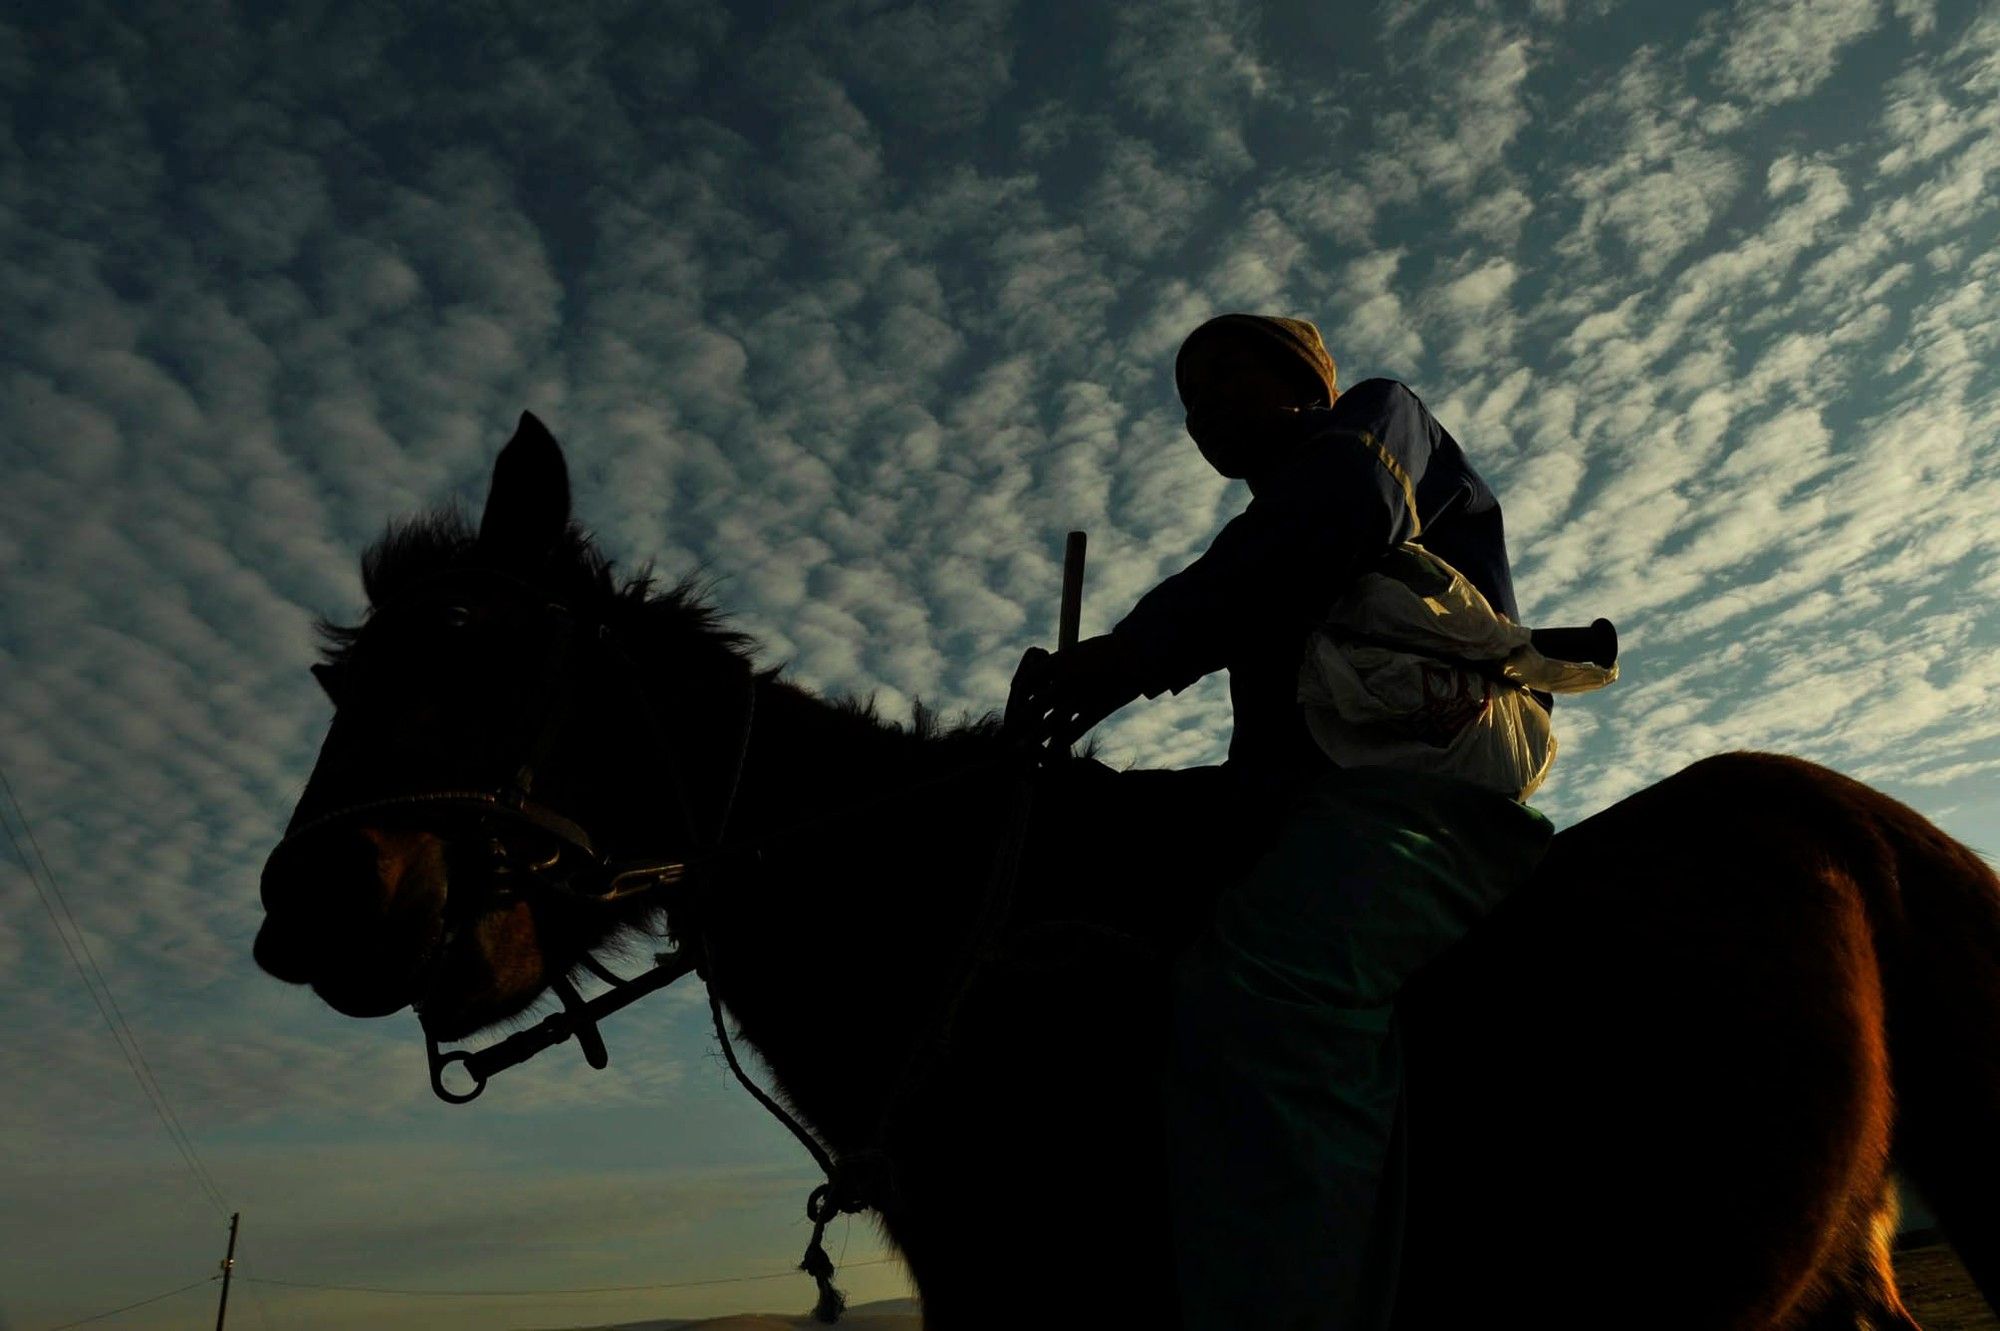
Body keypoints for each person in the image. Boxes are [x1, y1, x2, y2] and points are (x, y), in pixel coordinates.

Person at [1009, 313, 1556, 1331]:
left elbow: (1329, 518)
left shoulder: (1376, 433)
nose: (1198, 411)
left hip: (1422, 807)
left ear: (1303, 377)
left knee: (1260, 990)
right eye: (1184, 401)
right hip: (1304, 804)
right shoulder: (1259, 568)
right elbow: (1259, 766)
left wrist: (1129, 655)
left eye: (1220, 376)